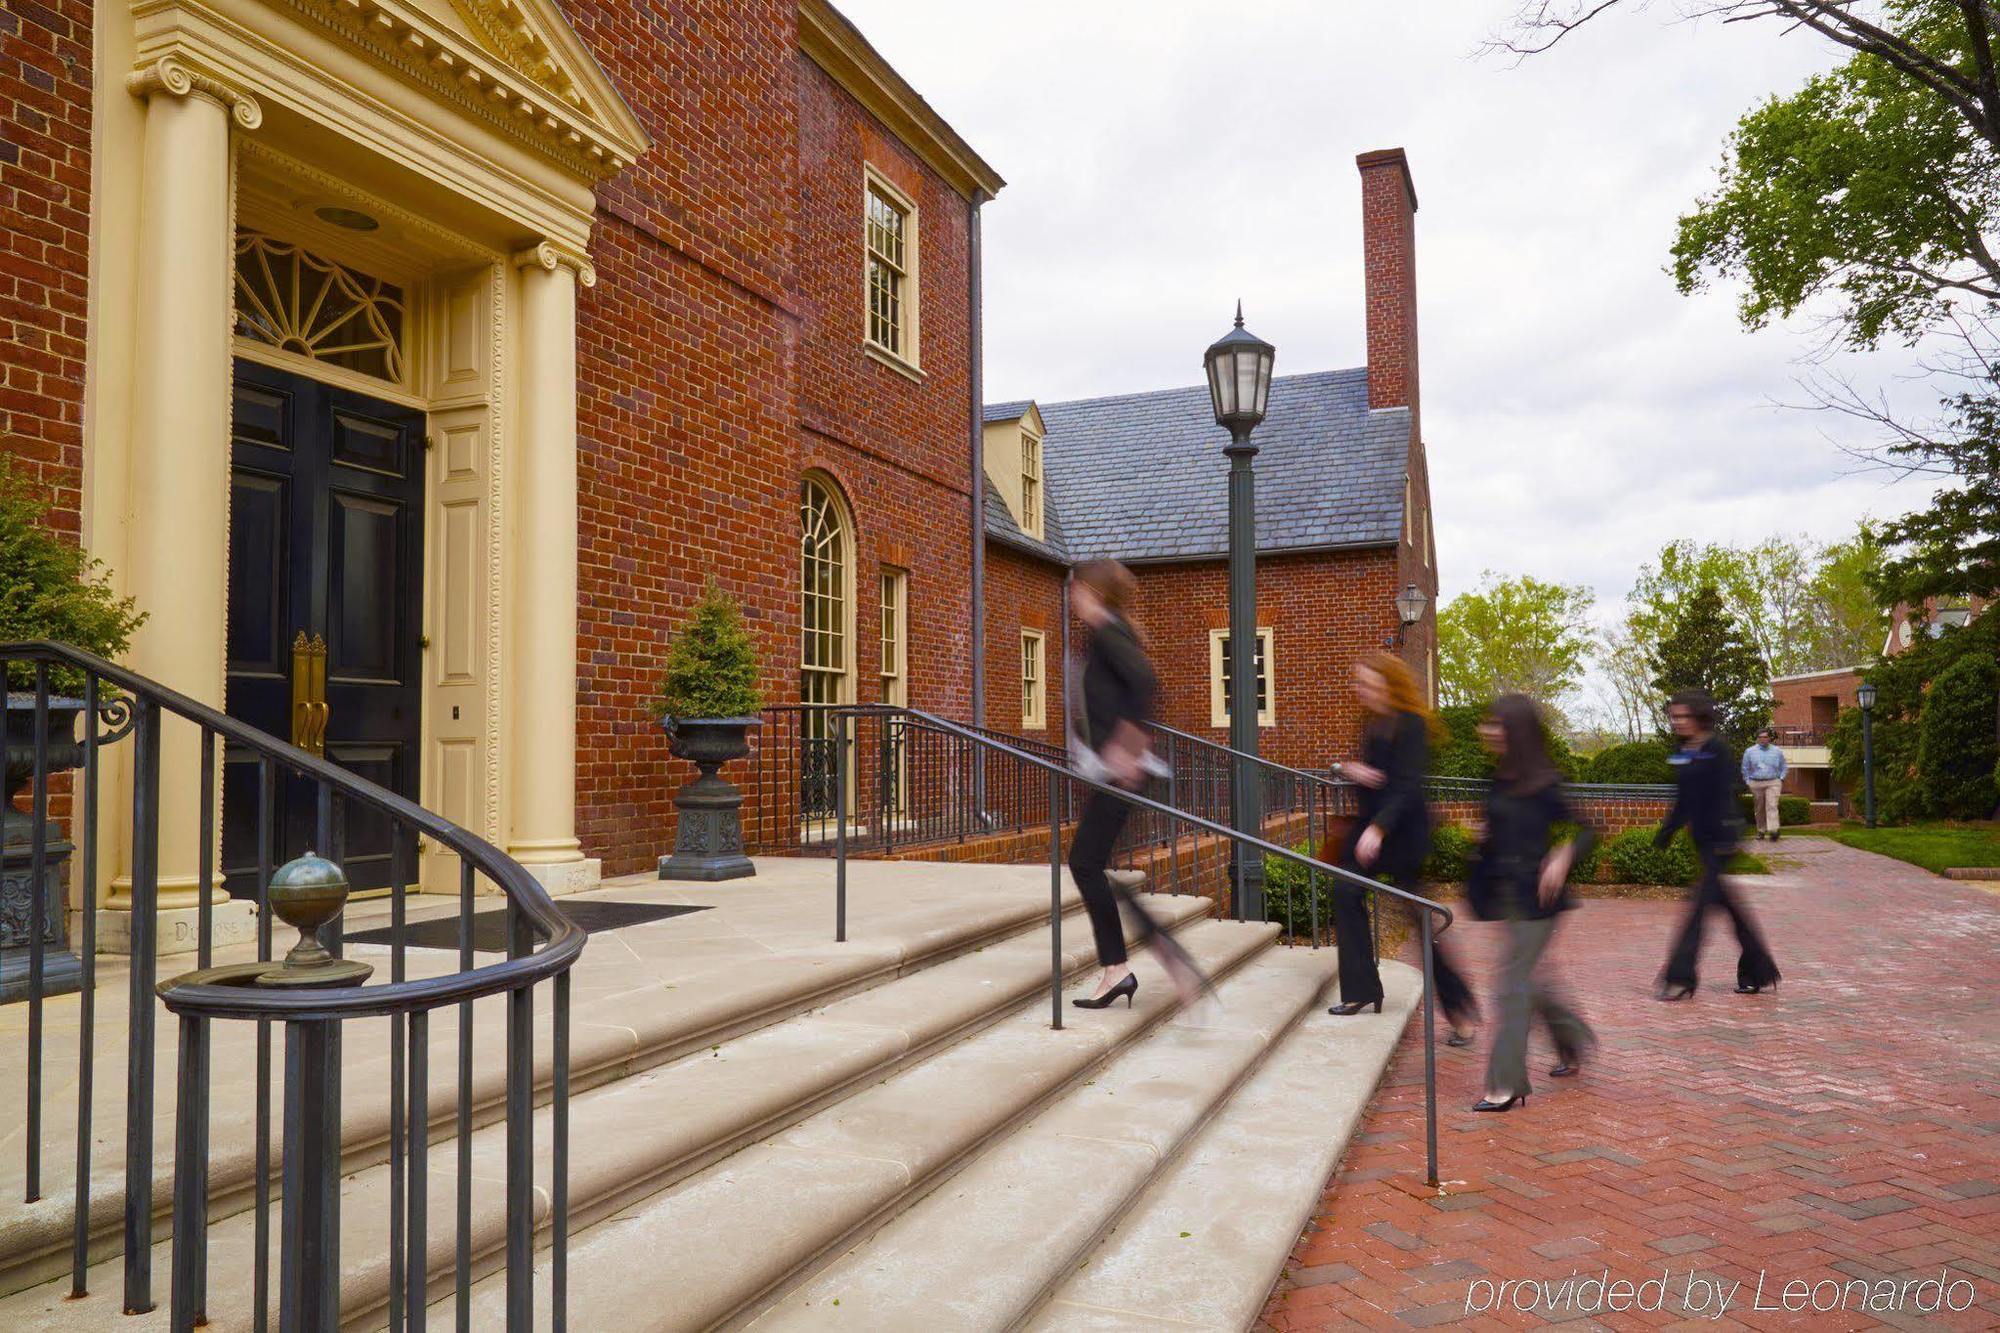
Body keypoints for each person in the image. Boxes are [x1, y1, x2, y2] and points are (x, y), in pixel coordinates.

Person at [1065, 558, 1205, 1010]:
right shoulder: (1105, 632)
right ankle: (1144, 962)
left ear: (1093, 591)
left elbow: (1146, 685)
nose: (1071, 596)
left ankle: (1120, 968)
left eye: (1077, 588)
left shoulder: (1108, 632)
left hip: (1123, 773)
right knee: (1094, 866)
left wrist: (1125, 747)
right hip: (1115, 772)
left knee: (1086, 863)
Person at [1325, 653, 1476, 1042]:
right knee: (1345, 889)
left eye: (1368, 684)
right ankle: (1361, 990)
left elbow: (1406, 786)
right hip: (1370, 832)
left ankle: (1461, 1013)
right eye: (1358, 684)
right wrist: (1354, 771)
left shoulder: (1412, 725)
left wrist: (1378, 827)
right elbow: (1378, 778)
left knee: (1421, 921)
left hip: (1403, 834)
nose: (1361, 691)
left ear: (1388, 684)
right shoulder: (1371, 723)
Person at [1465, 694, 1597, 1112]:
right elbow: (1498, 834)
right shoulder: (1498, 780)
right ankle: (1571, 1036)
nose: (1486, 731)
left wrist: (1563, 855)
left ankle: (1505, 1084)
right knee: (1528, 980)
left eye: (1495, 724)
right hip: (1507, 895)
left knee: (1509, 986)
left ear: (1515, 731)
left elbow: (1588, 831)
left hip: (1540, 899)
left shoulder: (1545, 783)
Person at [1656, 689, 1782, 1000]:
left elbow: (1727, 795)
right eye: (1674, 716)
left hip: (1722, 840)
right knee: (1731, 909)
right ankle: (1758, 970)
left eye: (1683, 716)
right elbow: (1684, 798)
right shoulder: (1683, 751)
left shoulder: (1717, 750)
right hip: (1702, 842)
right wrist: (1667, 831)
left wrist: (1728, 837)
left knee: (1698, 909)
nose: (1677, 722)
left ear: (1699, 716)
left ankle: (1681, 976)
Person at [1741, 728, 1788, 842]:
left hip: (1773, 782)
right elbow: (1745, 768)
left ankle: (1773, 830)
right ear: (1757, 739)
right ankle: (1761, 830)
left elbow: (1784, 766)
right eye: (1760, 737)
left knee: (1772, 805)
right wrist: (1748, 781)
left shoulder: (1777, 751)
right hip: (1756, 782)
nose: (1763, 739)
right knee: (1759, 808)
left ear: (1769, 738)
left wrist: (1781, 778)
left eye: (1765, 737)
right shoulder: (1750, 751)